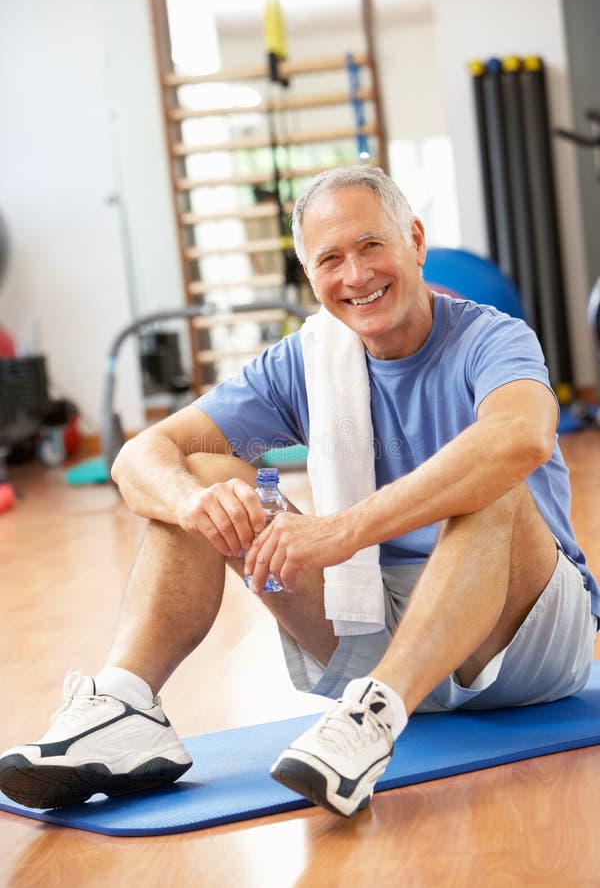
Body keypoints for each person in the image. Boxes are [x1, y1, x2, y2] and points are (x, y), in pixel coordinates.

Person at [0, 165, 597, 818]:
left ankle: (373, 715)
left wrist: (342, 530)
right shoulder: (305, 361)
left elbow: (522, 439)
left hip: (521, 638)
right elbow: (143, 455)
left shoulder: (491, 337)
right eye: (331, 259)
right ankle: (126, 703)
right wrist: (191, 505)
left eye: (372, 246)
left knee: (496, 484)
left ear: (416, 241)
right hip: (373, 619)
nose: (356, 275)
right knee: (202, 473)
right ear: (310, 275)